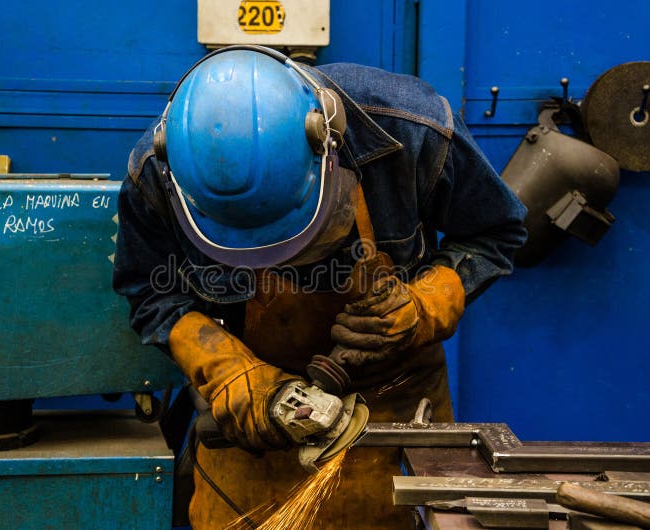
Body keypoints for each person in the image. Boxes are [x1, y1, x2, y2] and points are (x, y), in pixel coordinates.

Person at [113, 46, 526, 529]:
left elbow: (495, 232)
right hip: (252, 420)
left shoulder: (408, 130)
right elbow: (149, 289)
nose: (277, 261)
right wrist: (224, 370)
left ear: (326, 144)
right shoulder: (158, 175)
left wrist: (422, 306)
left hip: (394, 405)